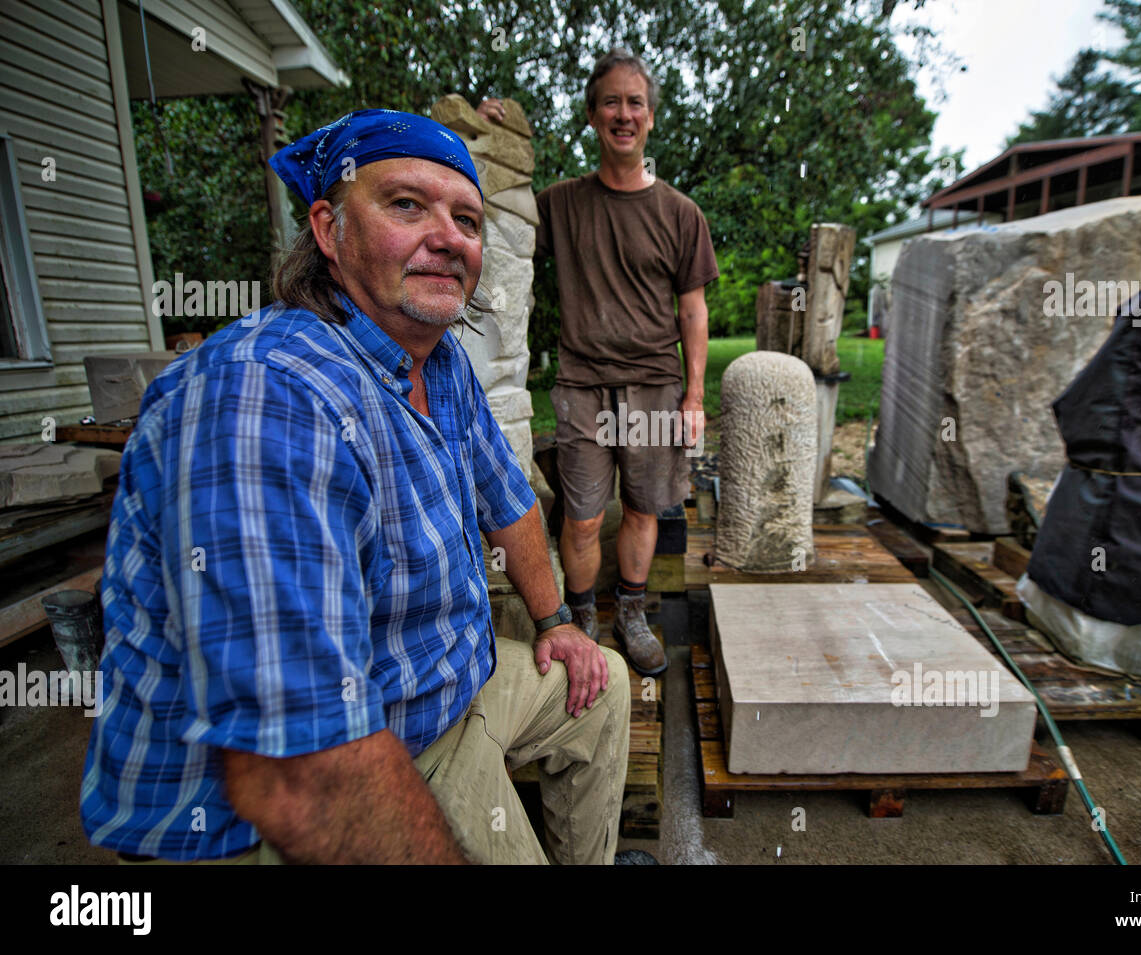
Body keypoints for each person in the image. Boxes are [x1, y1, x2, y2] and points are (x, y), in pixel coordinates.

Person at [80, 109, 631, 865]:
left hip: (441, 697)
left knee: (600, 687)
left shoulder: (439, 362)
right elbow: (302, 780)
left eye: (466, 217)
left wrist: (557, 620)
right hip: (279, 811)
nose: (447, 235)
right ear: (329, 228)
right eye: (407, 204)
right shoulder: (265, 394)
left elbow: (512, 504)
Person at [479, 51, 718, 677]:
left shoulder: (680, 213)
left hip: (655, 388)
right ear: (592, 115)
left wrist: (693, 397)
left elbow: (693, 312)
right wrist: (485, 139)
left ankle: (630, 614)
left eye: (635, 102)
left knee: (643, 510)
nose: (623, 114)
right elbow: (496, 220)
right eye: (611, 102)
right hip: (583, 387)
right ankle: (581, 620)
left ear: (651, 118)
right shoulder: (560, 205)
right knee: (582, 519)